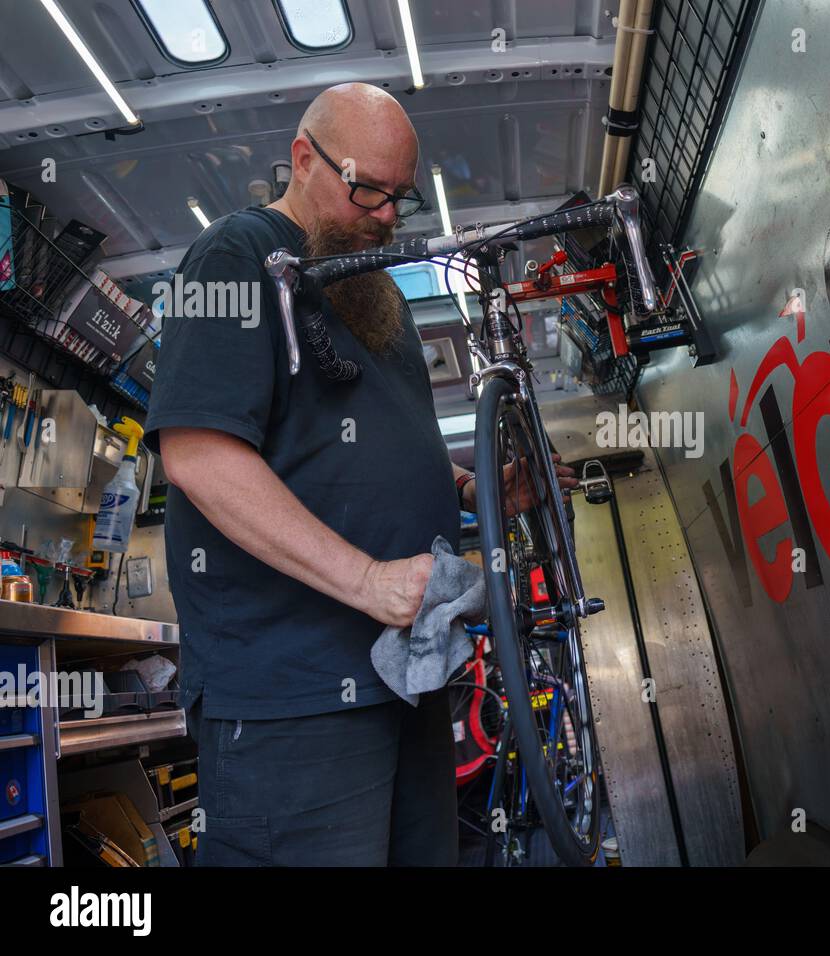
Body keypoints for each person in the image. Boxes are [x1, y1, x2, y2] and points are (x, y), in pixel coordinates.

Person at [143, 82, 576, 865]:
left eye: (397, 200)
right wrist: (370, 580)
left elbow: (372, 447)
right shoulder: (237, 256)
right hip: (295, 699)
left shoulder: (372, 294)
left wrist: (475, 490)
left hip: (405, 679)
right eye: (366, 189)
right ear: (303, 159)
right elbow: (199, 455)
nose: (383, 216)